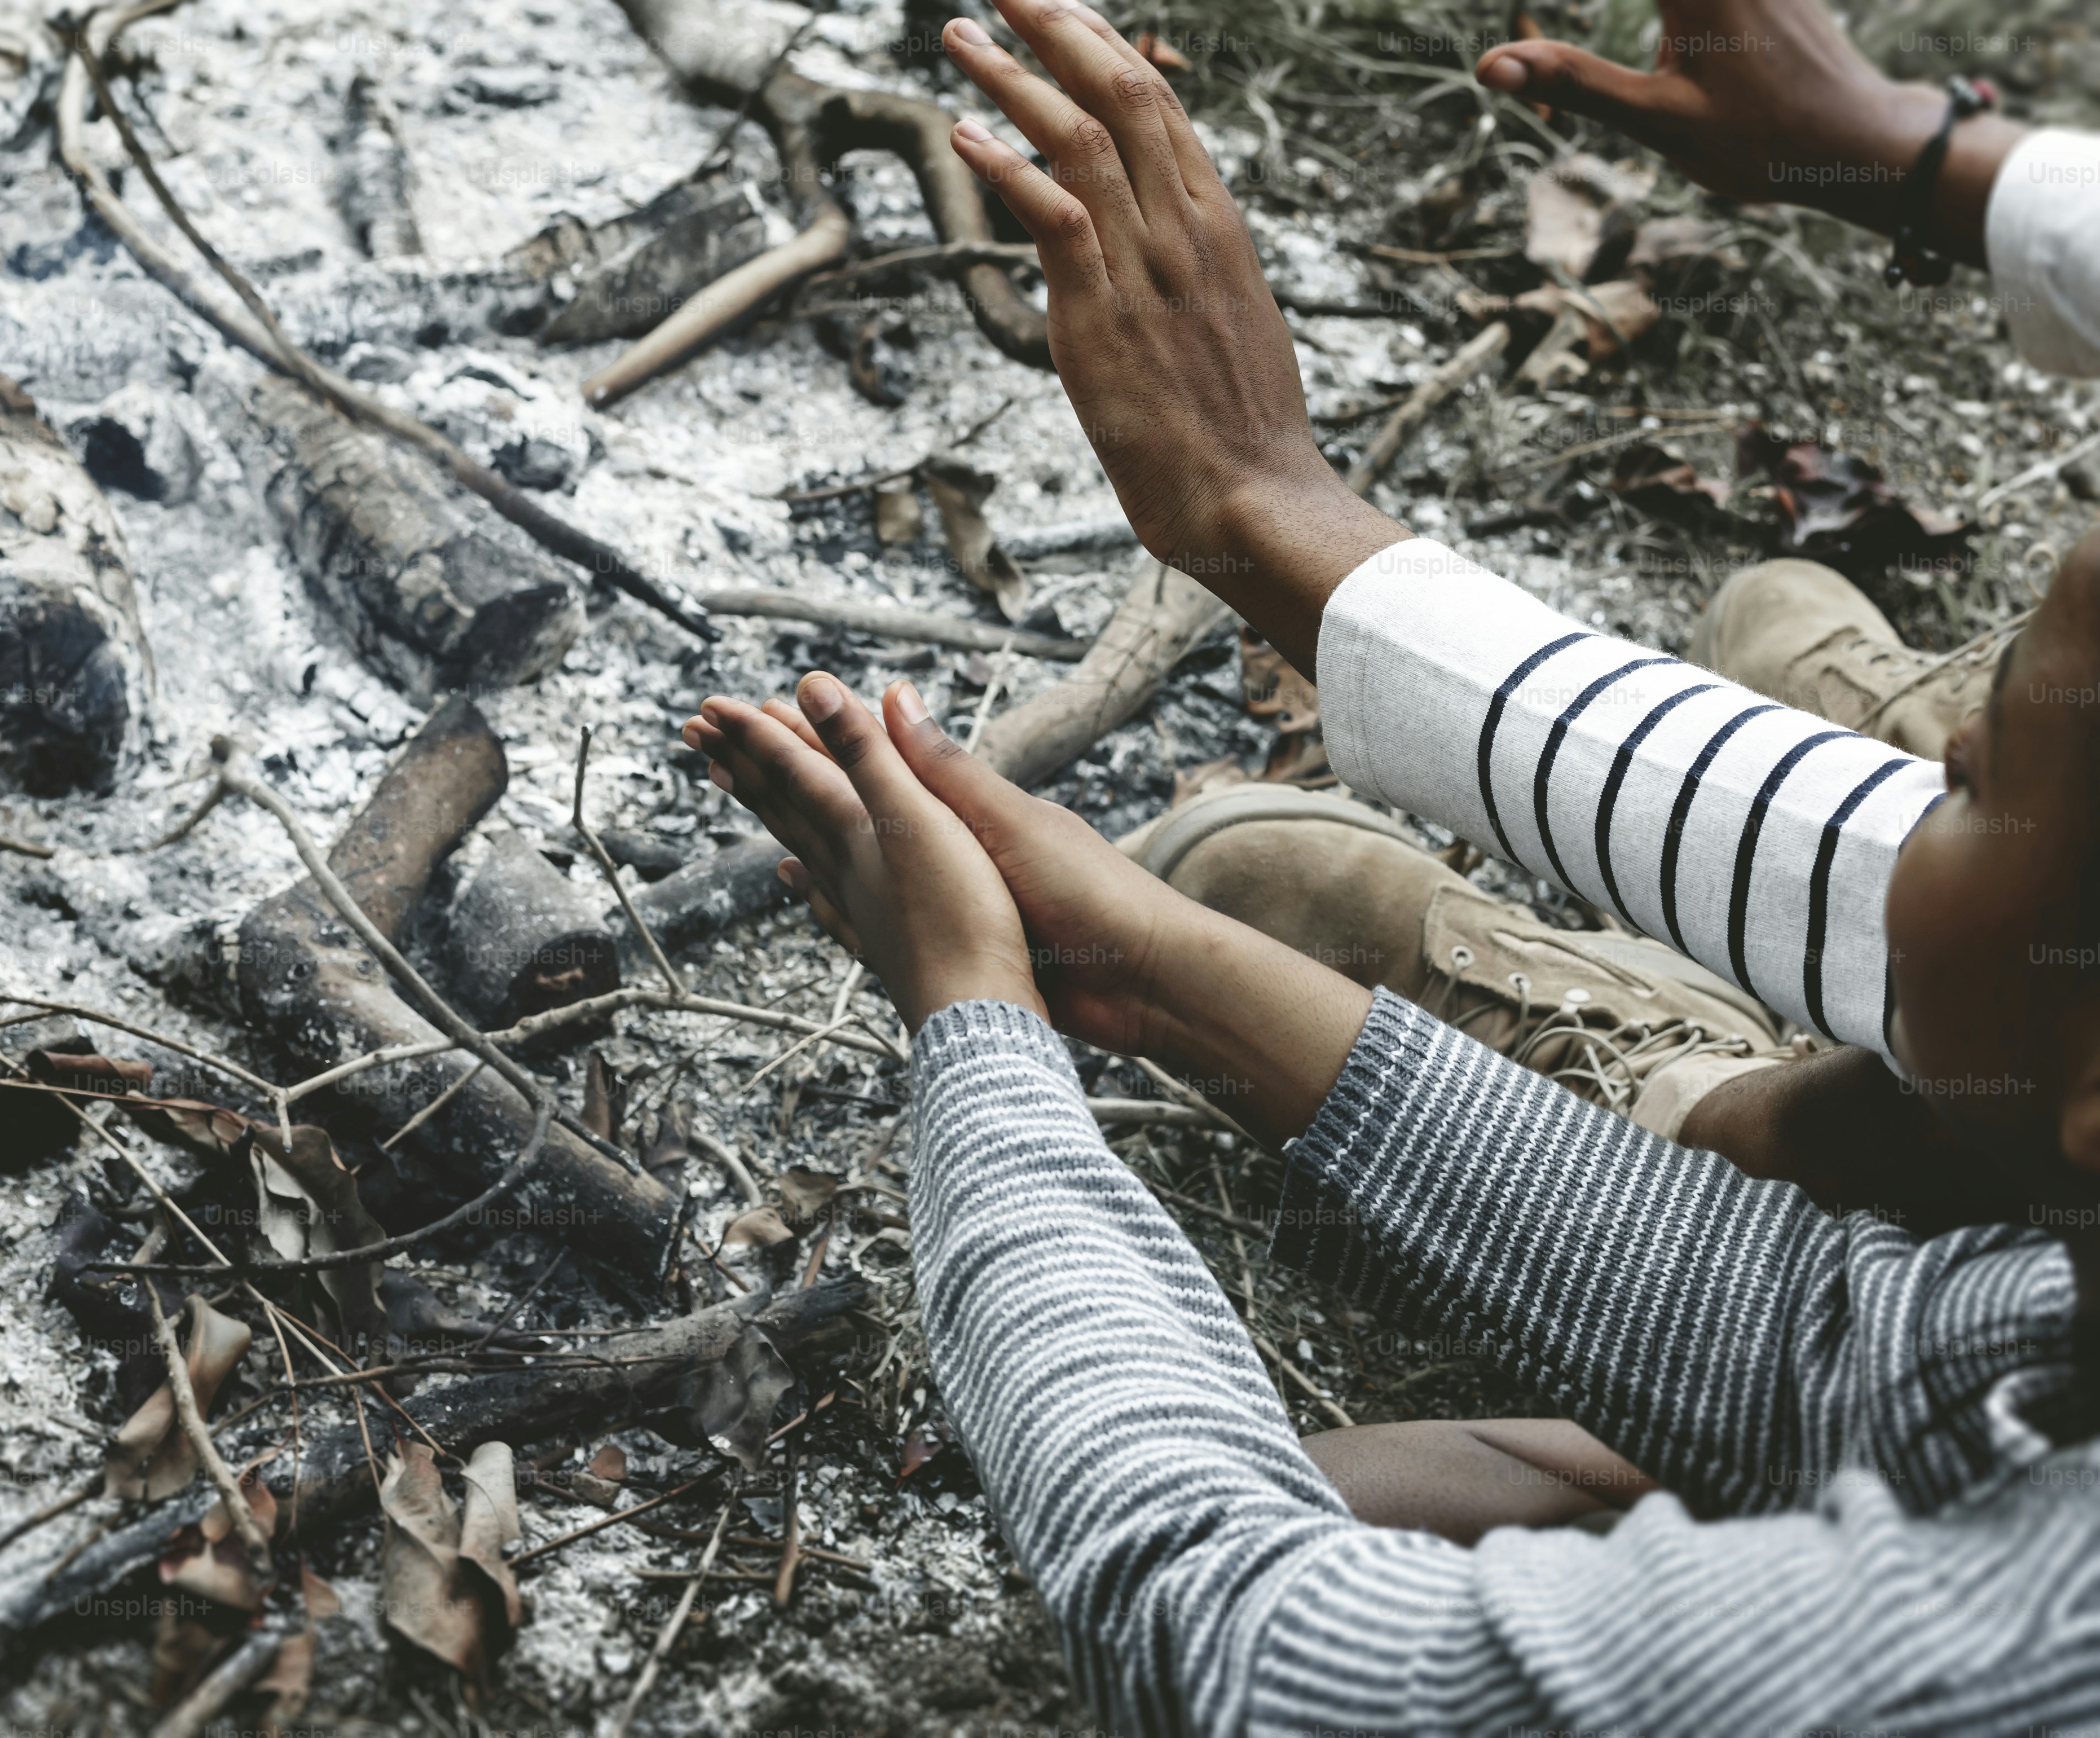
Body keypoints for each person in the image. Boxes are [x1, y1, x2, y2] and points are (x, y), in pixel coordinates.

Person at [679, 0, 2100, 1726]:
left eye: (1964, 779)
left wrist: (977, 1033)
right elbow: (1824, 1342)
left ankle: (1696, 1083)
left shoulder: (2018, 1634)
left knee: (1331, 1512)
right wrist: (1152, 963)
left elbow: (1239, 1642)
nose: (1926, 772)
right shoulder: (2049, 1308)